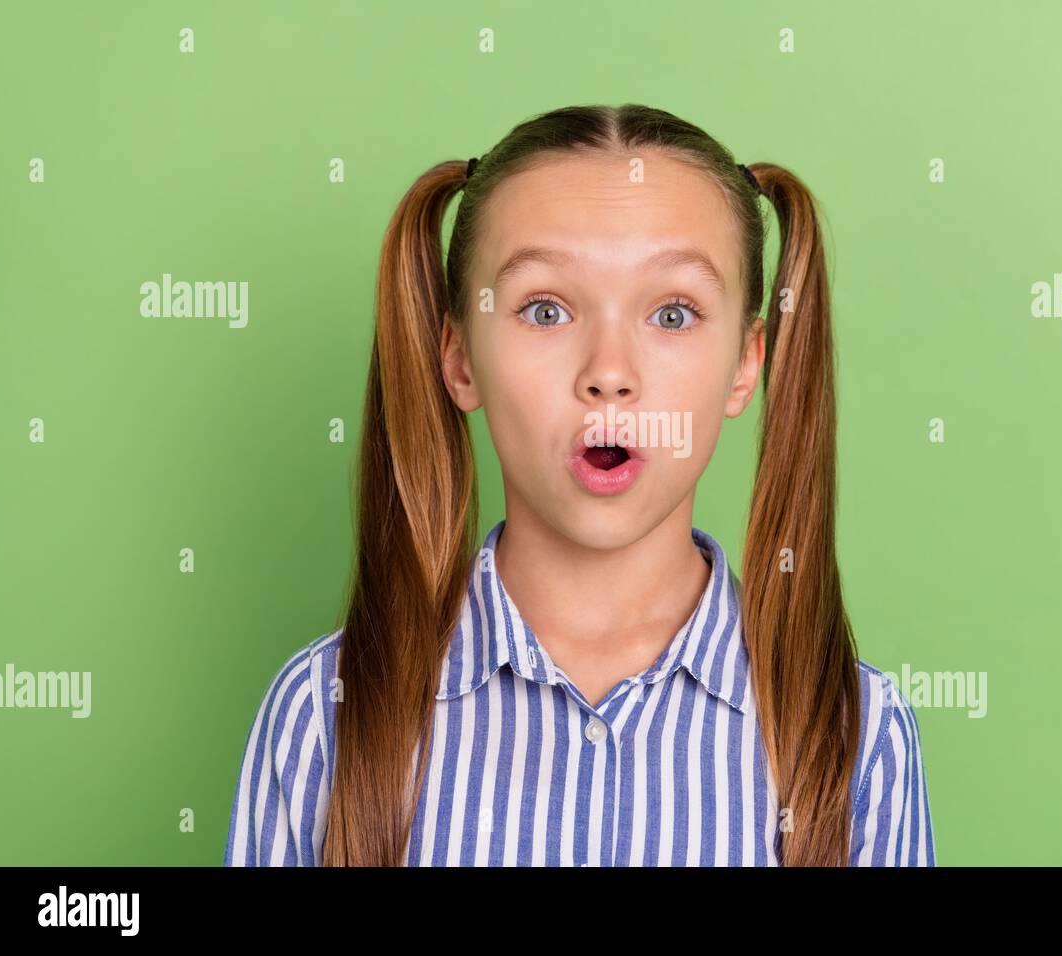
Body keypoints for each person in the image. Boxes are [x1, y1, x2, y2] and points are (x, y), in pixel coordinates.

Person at [224, 103, 935, 867]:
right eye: (545, 309)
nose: (608, 375)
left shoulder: (859, 735)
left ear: (745, 364)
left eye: (672, 312)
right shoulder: (321, 714)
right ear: (460, 359)